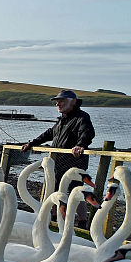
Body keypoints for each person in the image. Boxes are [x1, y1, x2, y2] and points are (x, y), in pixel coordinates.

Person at [20, 89, 96, 221]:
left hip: (74, 162)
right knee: (54, 189)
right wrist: (32, 143)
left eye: (61, 101)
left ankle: (83, 222)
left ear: (72, 102)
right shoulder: (62, 120)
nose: (57, 104)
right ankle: (55, 218)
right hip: (58, 162)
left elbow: (87, 133)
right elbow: (49, 134)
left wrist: (80, 145)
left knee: (76, 191)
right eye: (57, 102)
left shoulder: (82, 117)